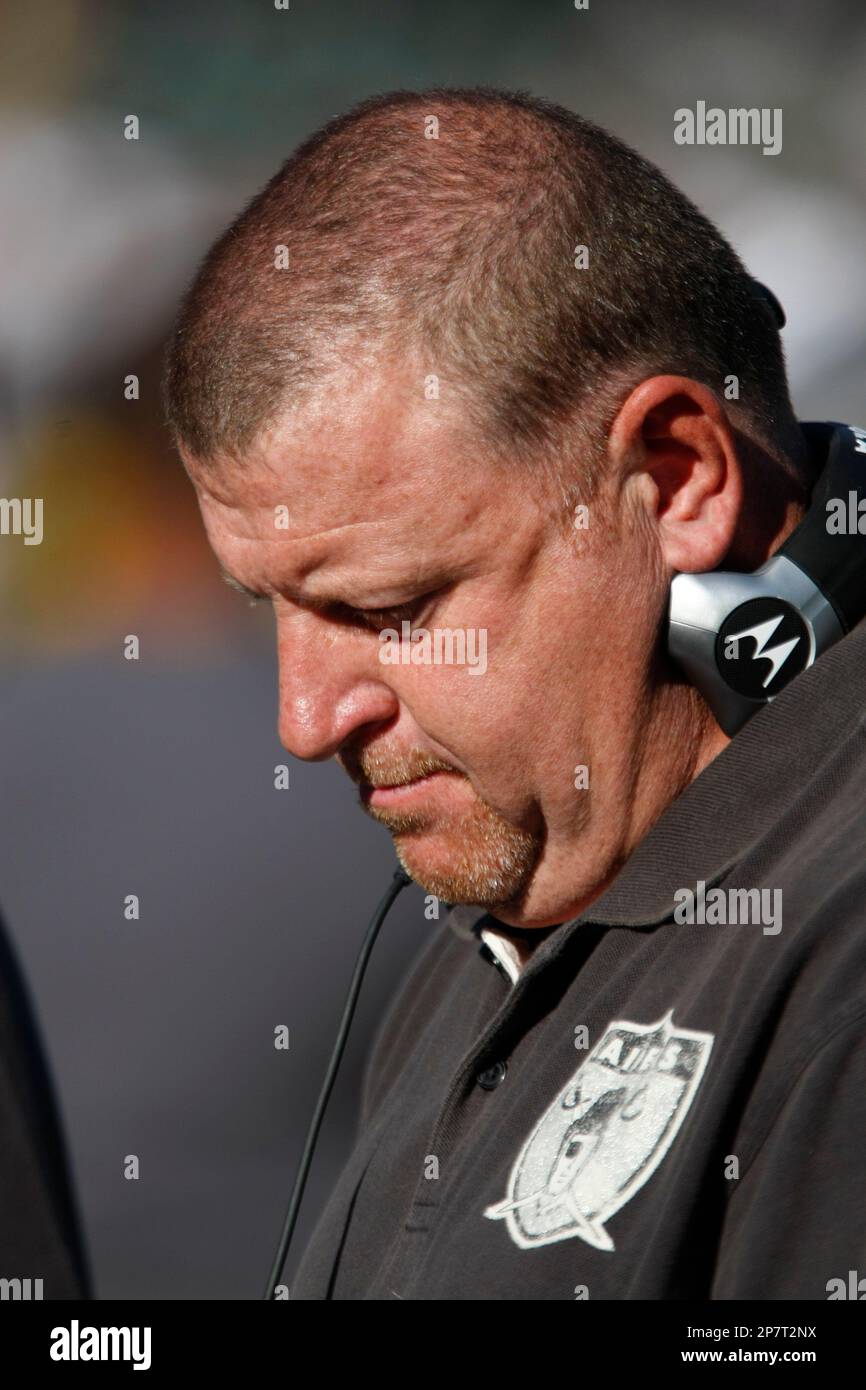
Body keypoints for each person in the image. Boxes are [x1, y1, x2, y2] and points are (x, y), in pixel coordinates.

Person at [162, 87, 866, 1299]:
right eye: (262, 605)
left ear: (675, 477)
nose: (304, 719)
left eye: (389, 610)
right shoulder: (500, 897)